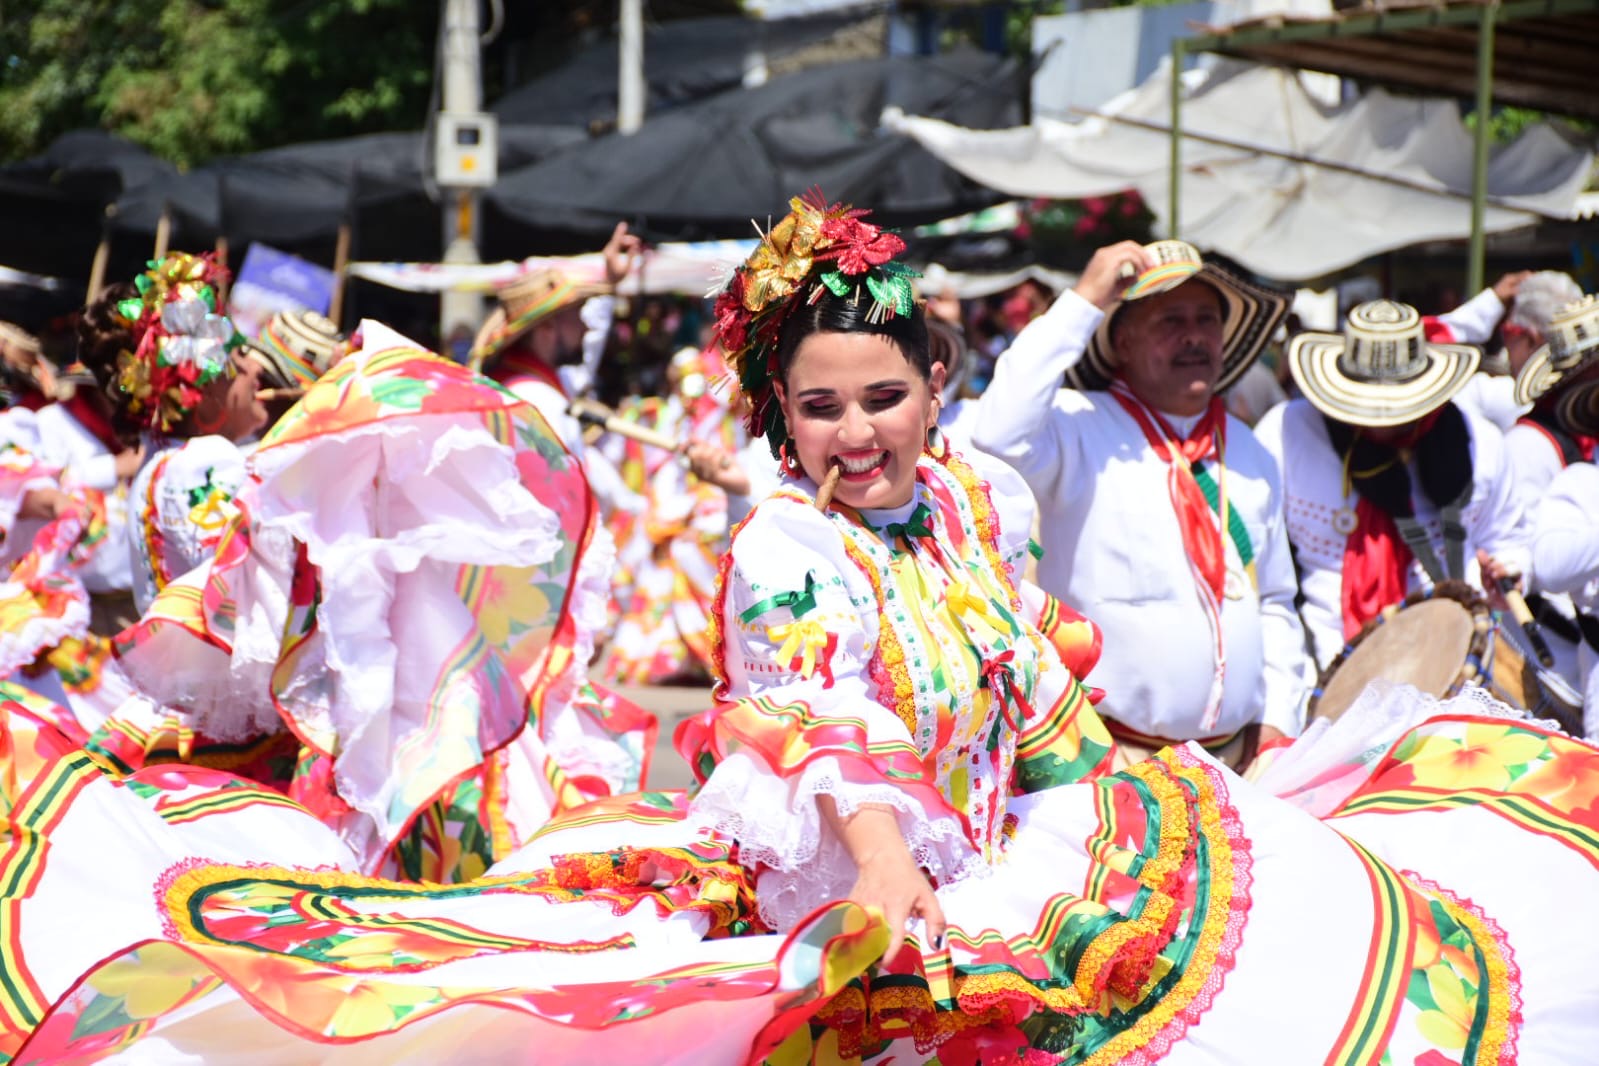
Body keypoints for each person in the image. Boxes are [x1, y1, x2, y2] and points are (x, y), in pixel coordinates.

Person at [7, 194, 1599, 1066]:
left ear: (931, 394)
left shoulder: (973, 507)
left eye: (883, 397)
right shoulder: (779, 536)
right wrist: (889, 874)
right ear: (774, 417)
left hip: (995, 884)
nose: (856, 432)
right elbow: (816, 708)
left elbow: (1033, 690)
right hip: (850, 930)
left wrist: (1141, 788)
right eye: (817, 405)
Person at [971, 238, 1306, 763]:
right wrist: (1085, 298)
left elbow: (1276, 603)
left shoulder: (1247, 450)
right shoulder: (1075, 426)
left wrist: (1280, 721)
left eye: (1206, 320)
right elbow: (996, 433)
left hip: (1242, 761)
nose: (1194, 336)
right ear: (1121, 342)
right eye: (1170, 320)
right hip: (1110, 761)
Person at [1254, 299, 1528, 669]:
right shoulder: (1285, 433)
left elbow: (1508, 540)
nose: (1382, 422)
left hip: (1458, 666)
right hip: (1321, 666)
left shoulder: (1479, 443)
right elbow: (1256, 565)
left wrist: (1512, 568)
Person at [1446, 270, 1581, 431]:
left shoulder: (1498, 395)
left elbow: (1423, 376)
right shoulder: (1585, 394)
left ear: (1531, 338)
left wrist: (1489, 303)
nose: (1505, 345)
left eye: (1507, 331)